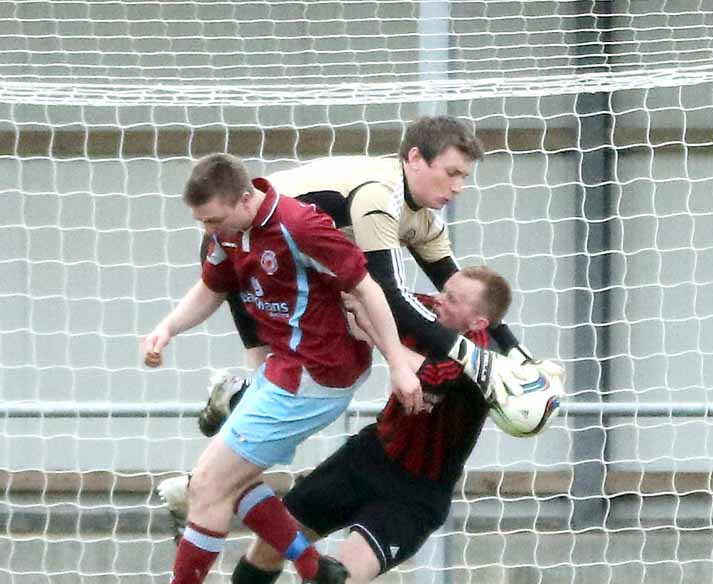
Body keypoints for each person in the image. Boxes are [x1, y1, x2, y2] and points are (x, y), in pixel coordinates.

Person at [190, 266, 565, 584]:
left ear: (478, 324)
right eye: (443, 291)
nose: (439, 299)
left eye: (453, 299)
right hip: (365, 459)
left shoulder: (477, 365)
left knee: (341, 582)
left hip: (412, 497)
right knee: (273, 536)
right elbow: (384, 301)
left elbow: (410, 369)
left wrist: (369, 326)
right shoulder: (431, 314)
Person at [97, 153, 423, 584]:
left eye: (214, 219)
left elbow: (367, 288)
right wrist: (168, 328)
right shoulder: (229, 234)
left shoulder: (300, 225)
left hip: (316, 375)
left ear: (246, 198)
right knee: (233, 480)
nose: (209, 230)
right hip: (283, 369)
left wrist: (399, 364)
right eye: (203, 222)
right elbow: (212, 287)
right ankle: (317, 569)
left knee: (207, 486)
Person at [158, 115, 539, 531]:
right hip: (243, 242)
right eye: (451, 173)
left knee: (290, 391)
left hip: (295, 263)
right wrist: (475, 362)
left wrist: (516, 353)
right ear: (414, 159)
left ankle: (215, 454)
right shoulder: (379, 196)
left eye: (464, 176)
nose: (458, 186)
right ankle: (208, 480)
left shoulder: (424, 219)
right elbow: (389, 295)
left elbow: (464, 293)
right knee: (287, 385)